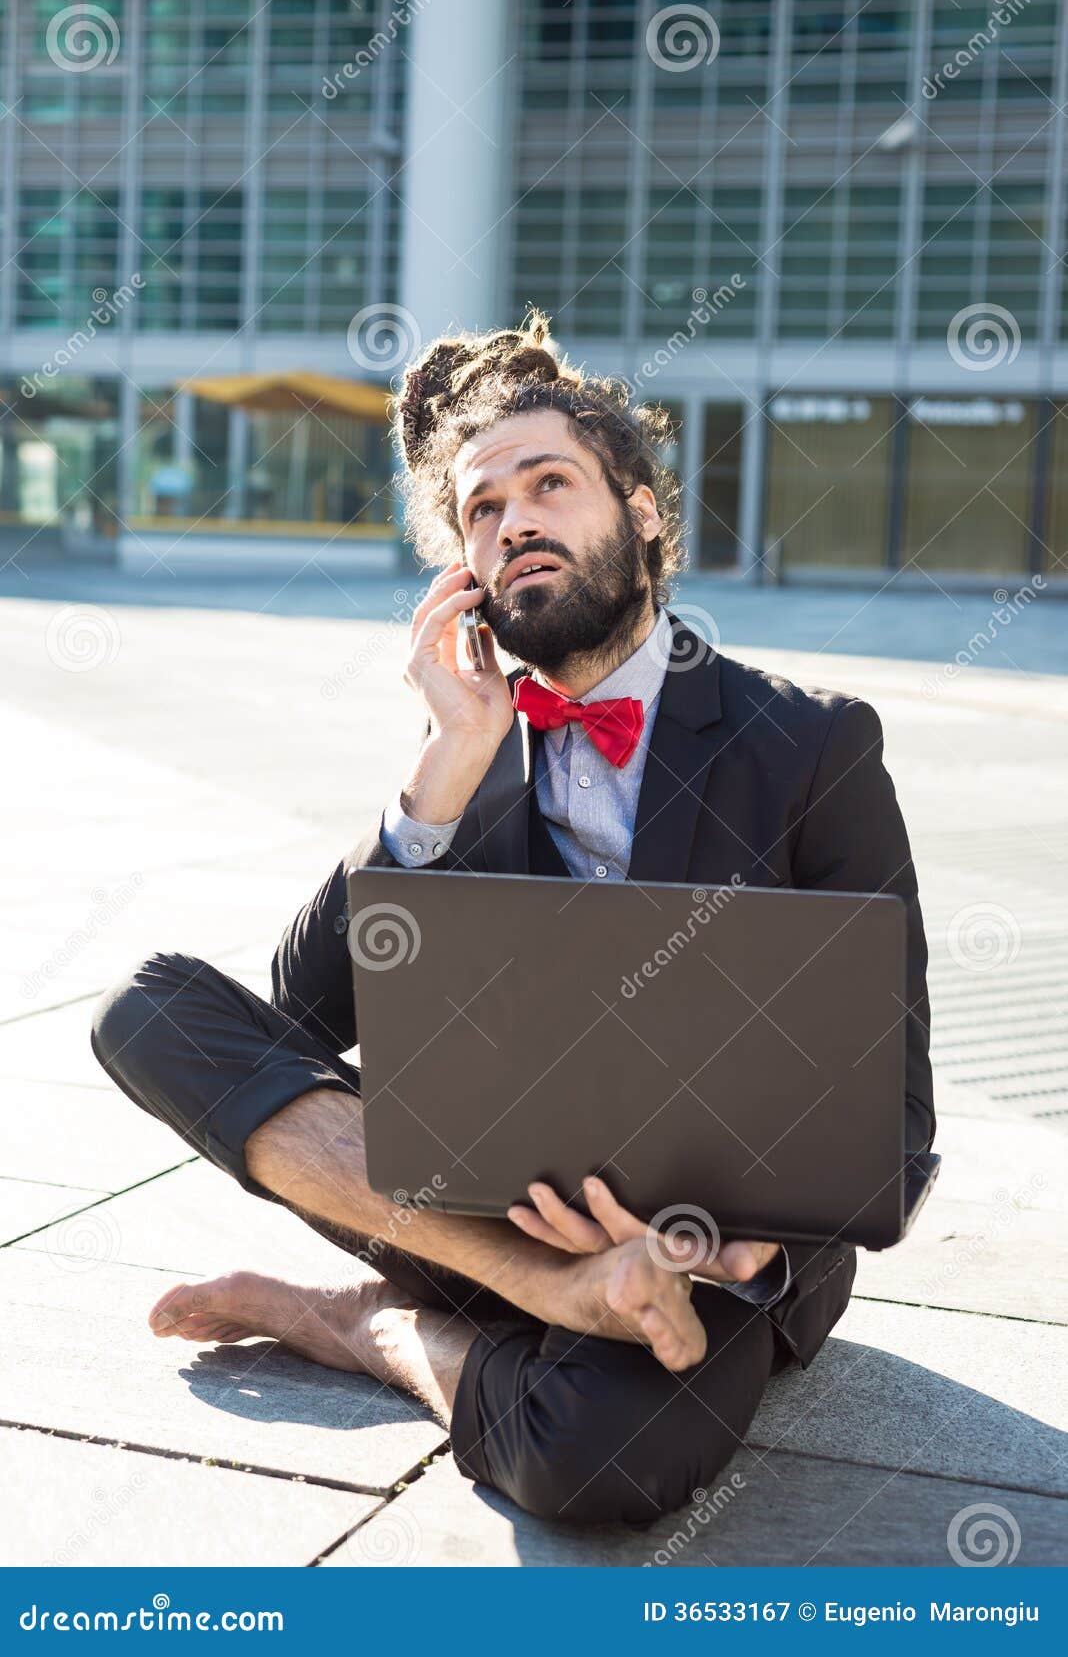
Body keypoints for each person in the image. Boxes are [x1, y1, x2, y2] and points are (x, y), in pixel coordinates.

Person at [91, 313, 935, 1526]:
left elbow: (896, 1116)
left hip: (691, 1245)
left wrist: (747, 1244)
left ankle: (371, 1325)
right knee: (145, 1009)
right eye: (482, 509)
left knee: (597, 1462)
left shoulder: (812, 746)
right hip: (470, 1206)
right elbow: (296, 1022)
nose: (514, 521)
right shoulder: (470, 752)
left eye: (549, 485)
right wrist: (439, 772)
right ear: (465, 571)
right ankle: (539, 1292)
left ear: (642, 512)